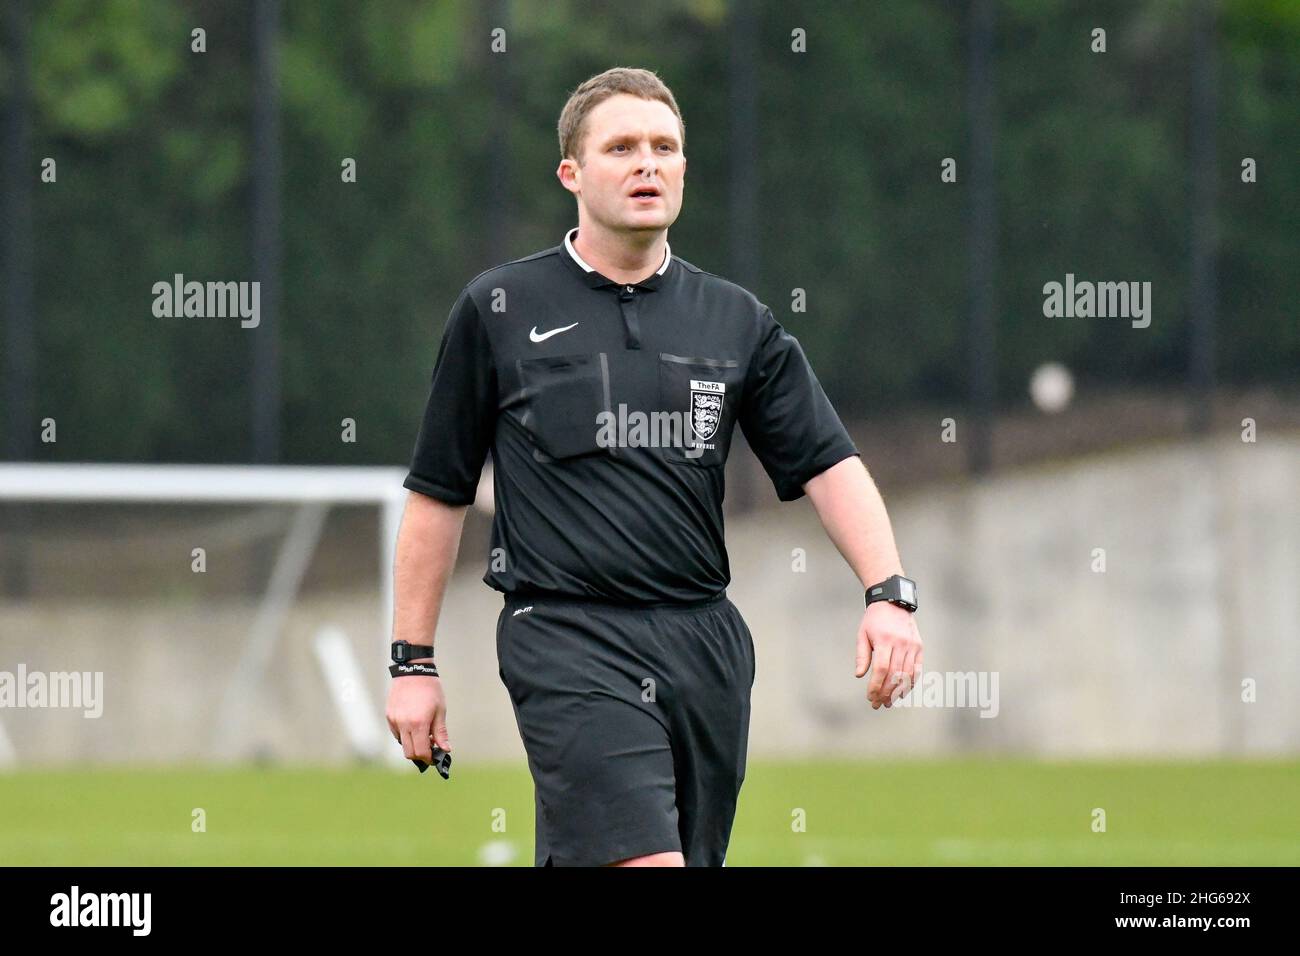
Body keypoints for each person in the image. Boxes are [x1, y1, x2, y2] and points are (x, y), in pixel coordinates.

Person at [385, 67, 922, 867]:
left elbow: (828, 461)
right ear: (572, 173)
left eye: (665, 147)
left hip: (704, 642)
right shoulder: (499, 309)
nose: (648, 163)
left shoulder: (738, 321)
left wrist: (889, 594)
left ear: (684, 169)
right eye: (622, 147)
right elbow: (438, 493)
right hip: (565, 635)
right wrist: (412, 663)